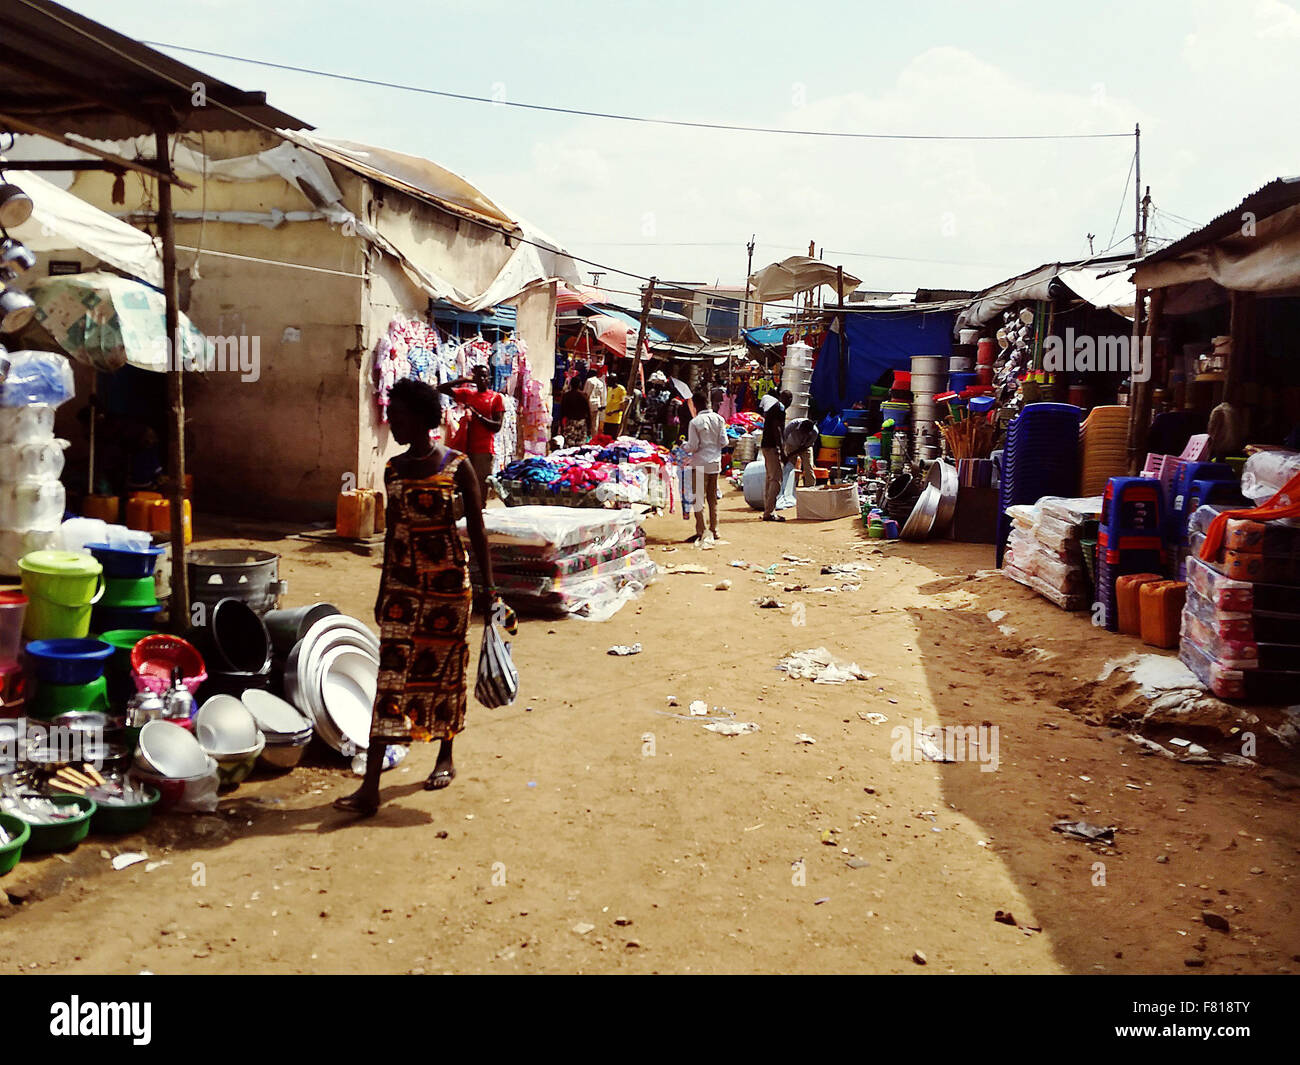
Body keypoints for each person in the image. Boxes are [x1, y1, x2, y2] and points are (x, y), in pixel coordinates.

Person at [335, 378, 496, 816]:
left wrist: (488, 588)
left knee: (444, 675)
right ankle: (370, 787)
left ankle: (445, 755)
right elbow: (393, 537)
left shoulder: (458, 465)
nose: (393, 421)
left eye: (399, 414)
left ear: (422, 419)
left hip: (448, 590)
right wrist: (385, 588)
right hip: (405, 590)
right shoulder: (393, 469)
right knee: (389, 680)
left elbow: (478, 531)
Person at [441, 363, 504, 495]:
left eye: (484, 376)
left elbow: (497, 426)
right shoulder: (468, 394)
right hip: (465, 448)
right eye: (478, 376)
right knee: (462, 487)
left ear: (489, 378)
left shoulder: (495, 398)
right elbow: (441, 388)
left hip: (483, 450)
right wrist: (465, 379)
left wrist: (477, 415)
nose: (482, 379)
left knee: (479, 488)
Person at [684, 390, 727, 543]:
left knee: (699, 499)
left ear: (695, 405)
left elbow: (693, 446)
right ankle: (715, 530)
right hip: (715, 464)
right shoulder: (719, 419)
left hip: (700, 464)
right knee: (712, 499)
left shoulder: (695, 422)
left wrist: (684, 446)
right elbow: (724, 442)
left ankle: (702, 530)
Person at [760, 389, 791, 521]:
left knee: (770, 478)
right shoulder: (780, 409)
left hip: (766, 445)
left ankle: (768, 509)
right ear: (789, 400)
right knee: (776, 480)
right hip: (772, 446)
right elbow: (777, 429)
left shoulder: (774, 407)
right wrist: (782, 449)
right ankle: (769, 512)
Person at [782, 415, 820, 488]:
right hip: (791, 444)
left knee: (808, 467)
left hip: (805, 447)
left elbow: (805, 447)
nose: (803, 434)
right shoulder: (792, 424)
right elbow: (783, 438)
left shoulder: (815, 431)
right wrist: (784, 452)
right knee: (790, 466)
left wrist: (790, 455)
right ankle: (788, 485)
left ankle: (810, 487)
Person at [558, 374, 591, 447]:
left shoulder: (566, 396)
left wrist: (561, 426)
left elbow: (561, 412)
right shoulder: (583, 396)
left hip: (570, 423)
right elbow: (588, 412)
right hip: (581, 423)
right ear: (579, 384)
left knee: (569, 446)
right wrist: (589, 427)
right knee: (580, 446)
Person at [584, 363, 608, 438]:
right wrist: (602, 404)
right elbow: (602, 395)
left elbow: (586, 393)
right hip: (597, 405)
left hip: (589, 404)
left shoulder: (589, 381)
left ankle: (587, 437)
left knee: (587, 423)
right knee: (595, 423)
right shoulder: (600, 383)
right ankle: (594, 438)